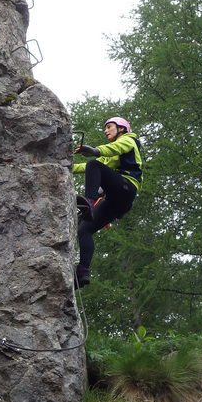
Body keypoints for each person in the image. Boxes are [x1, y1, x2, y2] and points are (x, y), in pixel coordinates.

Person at [73, 116, 143, 288]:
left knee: (93, 165)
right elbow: (95, 163)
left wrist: (95, 151)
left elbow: (113, 149)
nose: (106, 131)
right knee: (84, 229)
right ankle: (83, 271)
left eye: (110, 127)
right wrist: (67, 167)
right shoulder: (111, 154)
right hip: (118, 201)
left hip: (126, 187)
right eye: (105, 128)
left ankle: (88, 202)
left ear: (122, 128)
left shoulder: (128, 140)